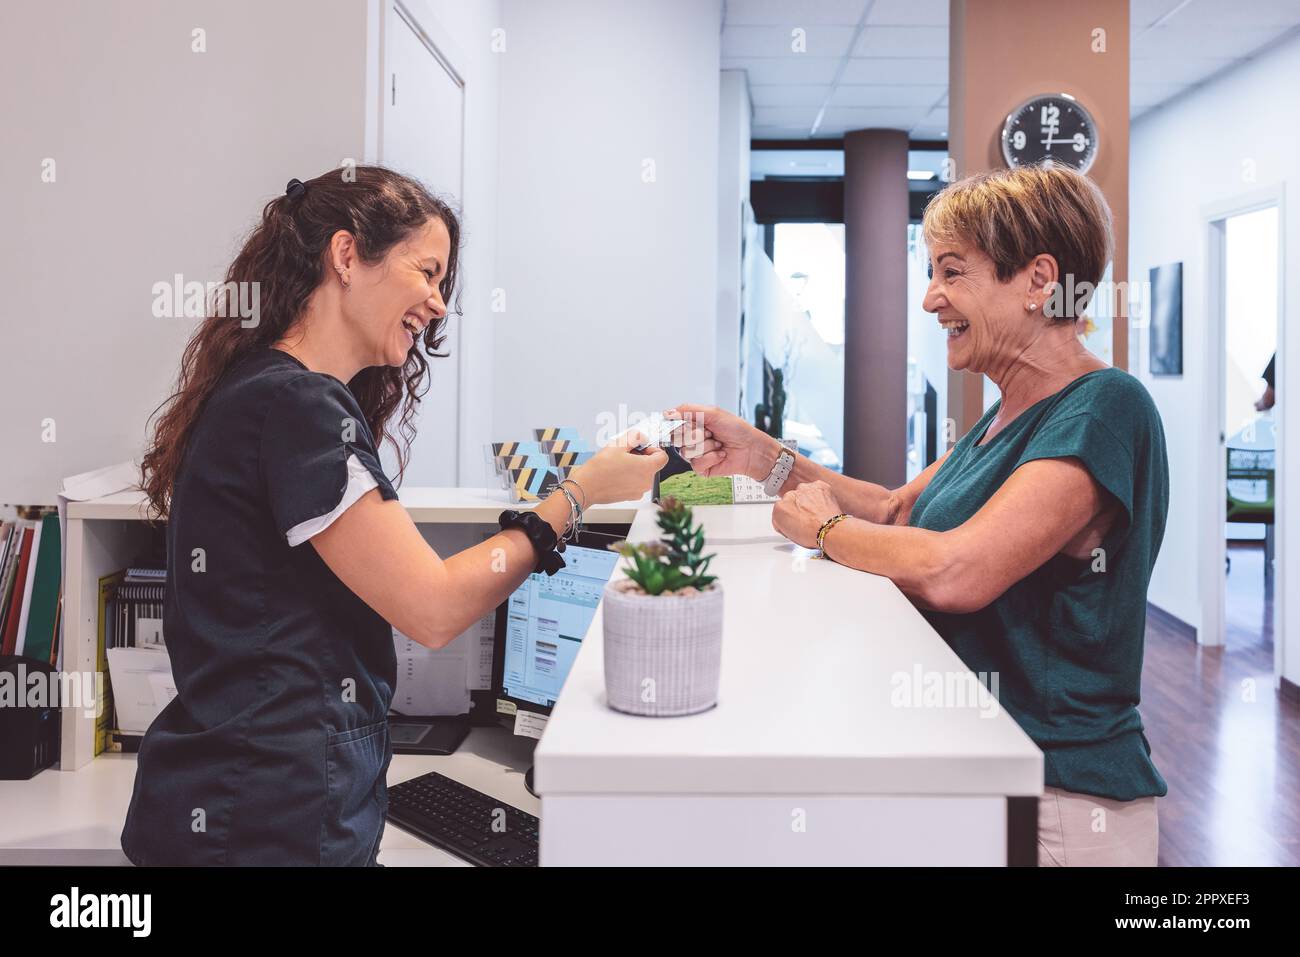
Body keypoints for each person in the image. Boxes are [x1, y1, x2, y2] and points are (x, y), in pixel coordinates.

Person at [121, 167, 665, 866]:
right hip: (263, 821)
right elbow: (432, 608)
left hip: (232, 802)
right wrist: (579, 495)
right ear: (347, 255)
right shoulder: (299, 409)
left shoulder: (259, 392)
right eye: (428, 273)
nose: (438, 304)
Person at [670, 164, 1169, 866]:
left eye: (952, 272)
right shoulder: (1005, 413)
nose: (932, 298)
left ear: (1037, 280)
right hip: (983, 771)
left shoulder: (1105, 406)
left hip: (1060, 799)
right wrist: (764, 459)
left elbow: (956, 568)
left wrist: (823, 532)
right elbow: (901, 509)